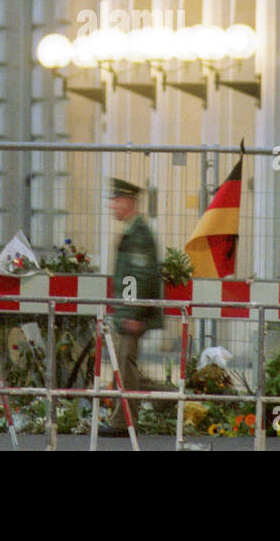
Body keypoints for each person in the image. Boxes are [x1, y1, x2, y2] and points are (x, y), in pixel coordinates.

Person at [103, 177, 165, 436]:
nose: (112, 206)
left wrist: (133, 313)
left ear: (129, 202)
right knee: (126, 366)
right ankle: (162, 397)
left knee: (126, 366)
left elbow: (140, 278)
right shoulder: (132, 232)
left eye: (116, 201)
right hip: (127, 313)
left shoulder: (138, 235)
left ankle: (123, 422)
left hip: (131, 315)